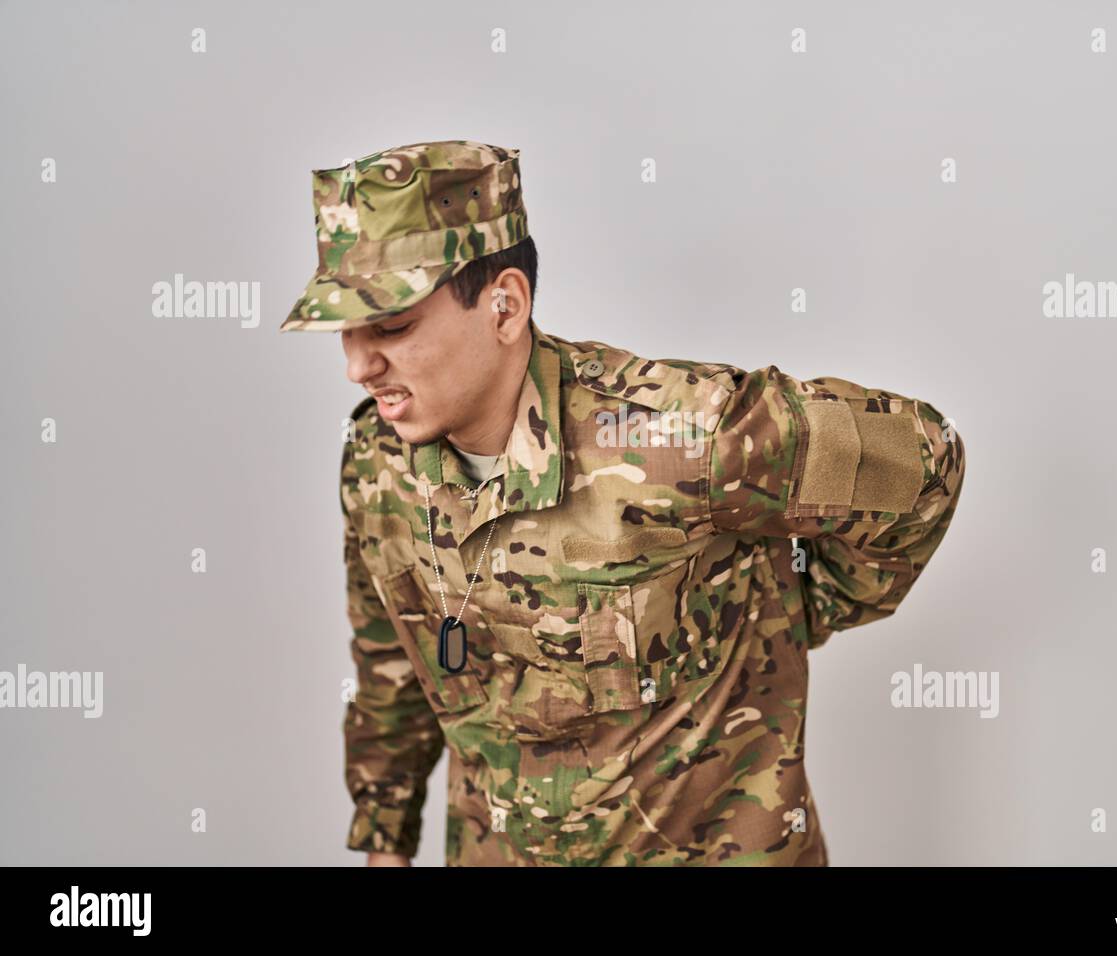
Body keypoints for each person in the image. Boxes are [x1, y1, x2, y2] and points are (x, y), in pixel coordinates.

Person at [281, 140, 967, 865]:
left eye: (390, 327)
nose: (358, 365)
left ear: (504, 306)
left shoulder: (683, 437)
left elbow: (924, 462)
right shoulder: (377, 465)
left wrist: (793, 614)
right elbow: (391, 658)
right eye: (345, 332)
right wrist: (385, 840)